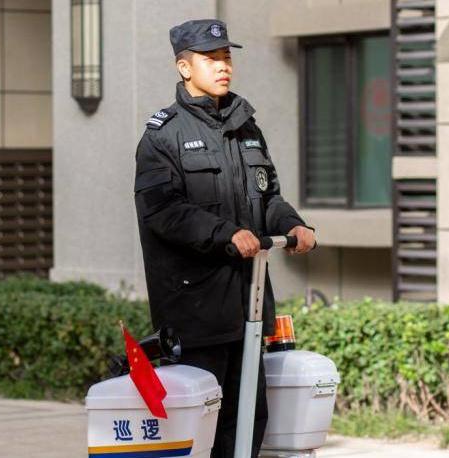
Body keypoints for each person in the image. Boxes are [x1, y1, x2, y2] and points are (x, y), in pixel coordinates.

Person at [133, 19, 316, 458]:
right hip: (196, 310)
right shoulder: (163, 136)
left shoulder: (246, 128)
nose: (223, 66)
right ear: (184, 67)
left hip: (248, 305)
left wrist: (292, 225)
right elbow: (163, 211)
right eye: (210, 59)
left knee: (249, 421)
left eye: (227, 57)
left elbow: (268, 198)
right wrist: (226, 233)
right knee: (203, 430)